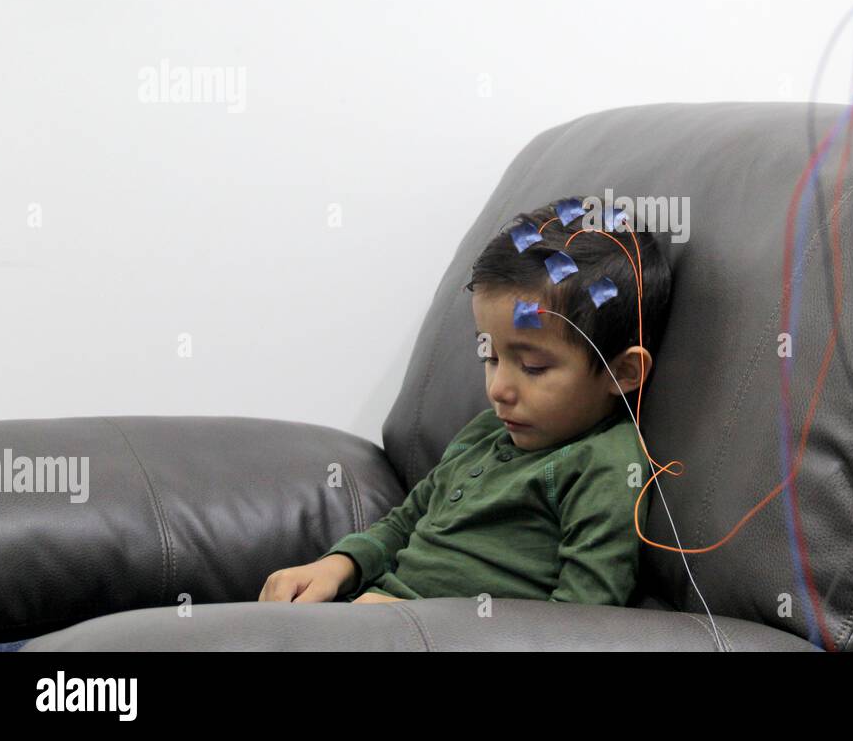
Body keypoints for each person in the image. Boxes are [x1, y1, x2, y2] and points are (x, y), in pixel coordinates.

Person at [258, 195, 673, 607]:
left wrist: (421, 626)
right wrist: (337, 565)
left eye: (531, 366)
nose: (498, 389)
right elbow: (406, 523)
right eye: (489, 356)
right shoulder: (484, 433)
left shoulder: (603, 467)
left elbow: (581, 625)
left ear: (621, 373)